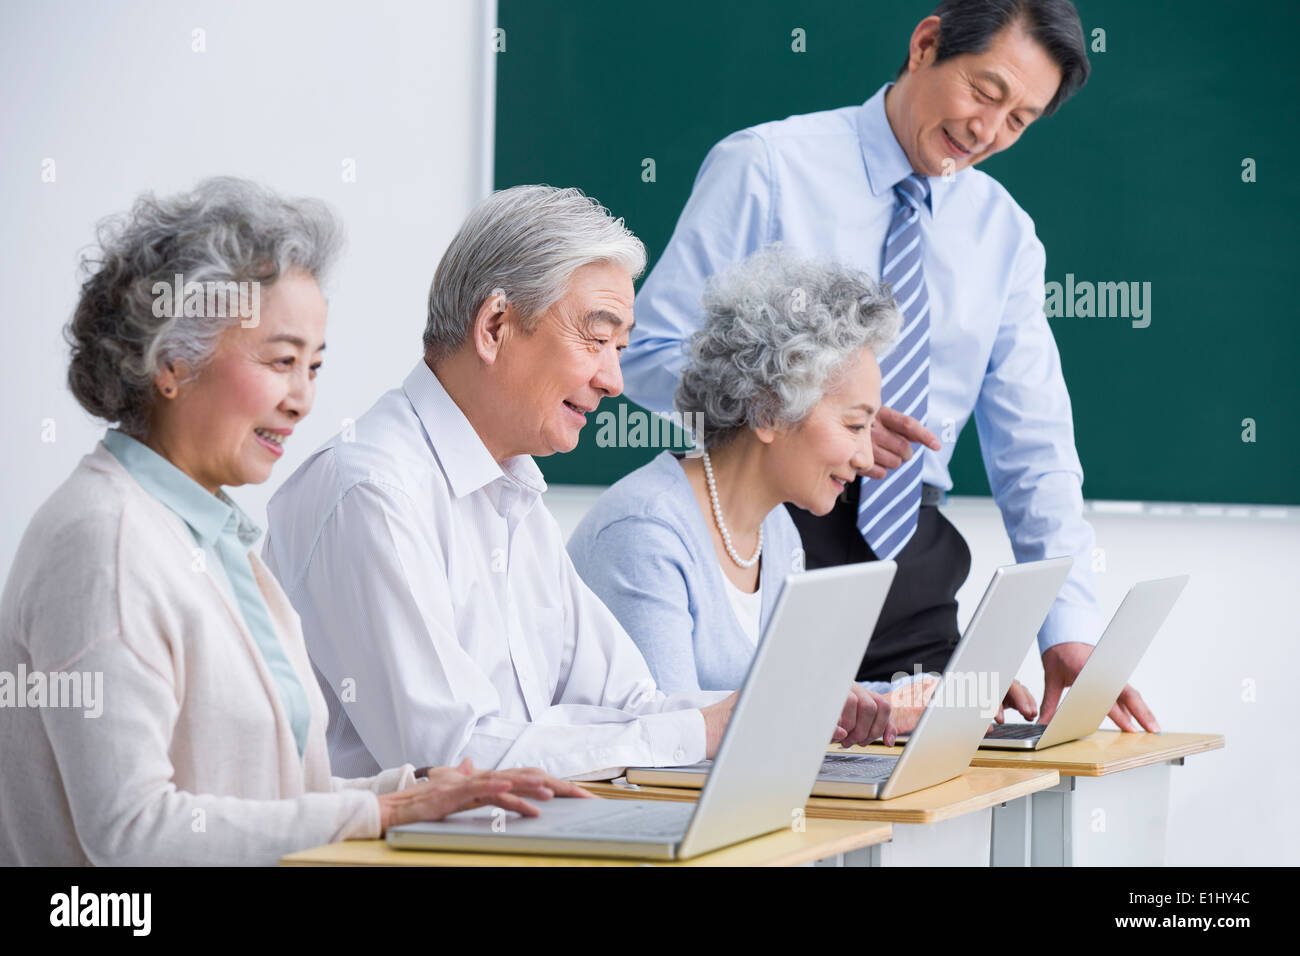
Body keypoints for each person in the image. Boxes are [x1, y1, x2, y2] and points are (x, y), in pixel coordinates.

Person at [0, 178, 585, 867]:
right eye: (281, 362)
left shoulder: (211, 534)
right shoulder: (104, 540)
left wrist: (422, 787)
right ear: (171, 363)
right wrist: (375, 811)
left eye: (313, 365)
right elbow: (132, 834)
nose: (303, 399)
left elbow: (266, 797)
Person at [619, 0, 1158, 732]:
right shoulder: (768, 167)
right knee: (752, 776)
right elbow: (647, 356)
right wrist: (805, 411)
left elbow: (1035, 447)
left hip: (914, 555)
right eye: (984, 92)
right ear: (926, 44)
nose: (987, 131)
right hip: (768, 533)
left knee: (933, 794)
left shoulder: (1004, 235)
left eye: (1019, 120)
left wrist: (1066, 626)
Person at [264, 185, 893, 783]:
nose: (614, 381)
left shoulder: (513, 492)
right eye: (597, 340)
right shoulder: (374, 490)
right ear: (495, 327)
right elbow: (450, 756)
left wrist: (774, 707)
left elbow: (626, 699)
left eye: (621, 348)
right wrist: (702, 733)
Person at [570, 244, 1034, 729]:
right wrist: (893, 710)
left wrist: (935, 693)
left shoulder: (776, 530)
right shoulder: (644, 532)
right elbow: (671, 735)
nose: (868, 458)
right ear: (770, 411)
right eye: (855, 426)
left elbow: (801, 694)